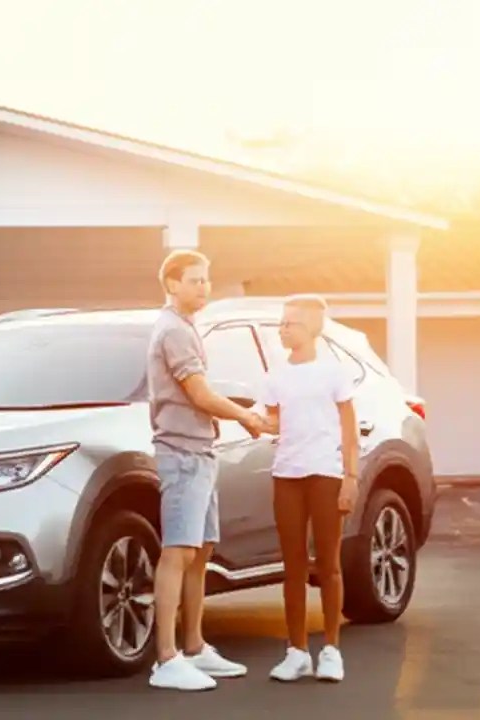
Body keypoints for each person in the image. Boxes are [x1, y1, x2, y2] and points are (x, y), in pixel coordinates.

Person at [146, 249, 274, 691]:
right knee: (178, 551)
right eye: (194, 280)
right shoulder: (173, 332)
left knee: (199, 553)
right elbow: (199, 395)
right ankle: (166, 658)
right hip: (180, 452)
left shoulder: (186, 328)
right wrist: (246, 417)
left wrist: (239, 414)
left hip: (200, 451)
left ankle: (196, 647)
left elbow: (200, 395)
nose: (203, 287)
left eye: (206, 279)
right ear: (172, 285)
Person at [260, 294, 360, 684]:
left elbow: (350, 431)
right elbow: (272, 422)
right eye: (282, 323)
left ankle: (331, 650)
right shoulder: (275, 376)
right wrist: (239, 415)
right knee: (293, 565)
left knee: (329, 564)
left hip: (326, 474)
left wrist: (351, 477)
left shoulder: (334, 373)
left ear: (313, 328)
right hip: (287, 475)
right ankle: (297, 650)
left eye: (291, 323)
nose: (283, 329)